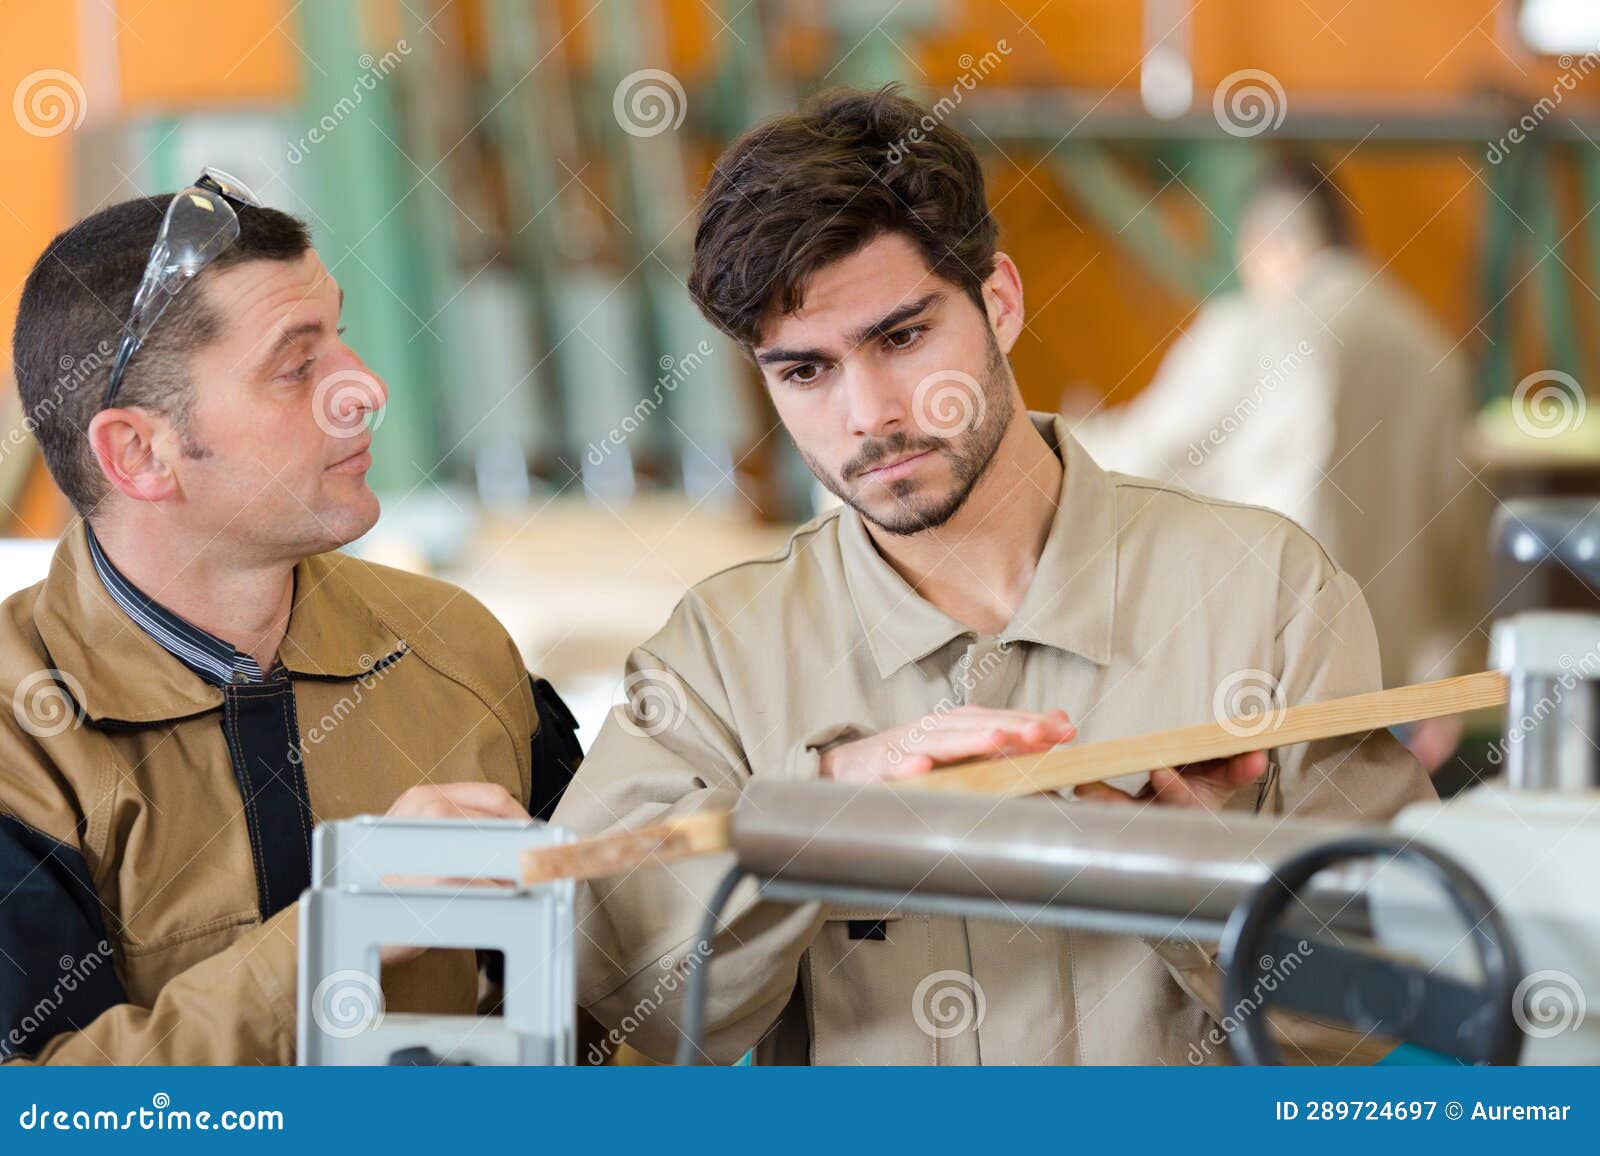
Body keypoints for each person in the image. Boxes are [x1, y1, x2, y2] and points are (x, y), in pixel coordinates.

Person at [551, 89, 1435, 1066]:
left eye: (901, 338)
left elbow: (1388, 998)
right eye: (805, 372)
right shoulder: (718, 659)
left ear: (999, 304)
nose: (869, 415)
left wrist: (1198, 888)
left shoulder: (1267, 598)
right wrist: (818, 806)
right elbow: (619, 1005)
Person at [0, 171, 580, 1064]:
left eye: (341, 339)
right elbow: (42, 1108)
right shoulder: (19, 739)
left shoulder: (457, 649)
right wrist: (337, 934)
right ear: (140, 452)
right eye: (297, 368)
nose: (365, 388)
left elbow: (602, 1005)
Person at [1072, 159, 1483, 771]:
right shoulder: (1433, 353)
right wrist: (1449, 682)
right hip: (1388, 710)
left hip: (1271, 697)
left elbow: (1135, 460)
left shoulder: (1258, 330)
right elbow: (1463, 542)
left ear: (1267, 243)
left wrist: (1073, 429)